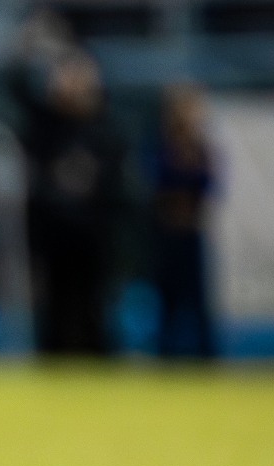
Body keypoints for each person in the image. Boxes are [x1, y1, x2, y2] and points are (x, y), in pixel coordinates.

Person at [23, 52, 127, 356]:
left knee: (93, 304)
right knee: (55, 305)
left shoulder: (105, 126)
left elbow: (114, 182)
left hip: (93, 231)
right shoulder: (46, 125)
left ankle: (96, 360)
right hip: (55, 230)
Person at [150, 83, 219, 360]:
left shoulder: (201, 146)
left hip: (193, 230)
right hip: (167, 231)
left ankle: (205, 356)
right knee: (168, 299)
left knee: (199, 301)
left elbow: (208, 184)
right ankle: (165, 354)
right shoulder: (162, 143)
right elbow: (160, 180)